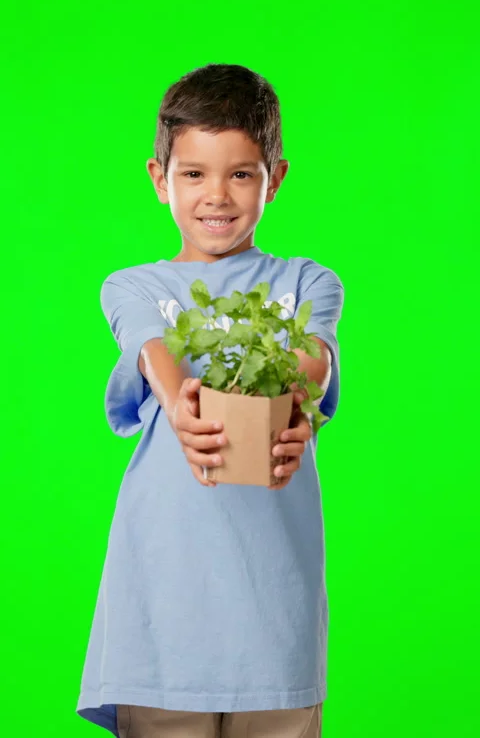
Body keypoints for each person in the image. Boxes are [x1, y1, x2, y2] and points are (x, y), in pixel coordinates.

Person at [76, 63, 344, 738]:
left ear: (274, 178)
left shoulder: (306, 280)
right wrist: (178, 405)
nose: (215, 196)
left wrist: (293, 403)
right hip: (162, 614)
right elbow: (149, 346)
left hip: (275, 616)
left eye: (241, 174)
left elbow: (316, 353)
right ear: (158, 178)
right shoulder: (133, 285)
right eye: (193, 173)